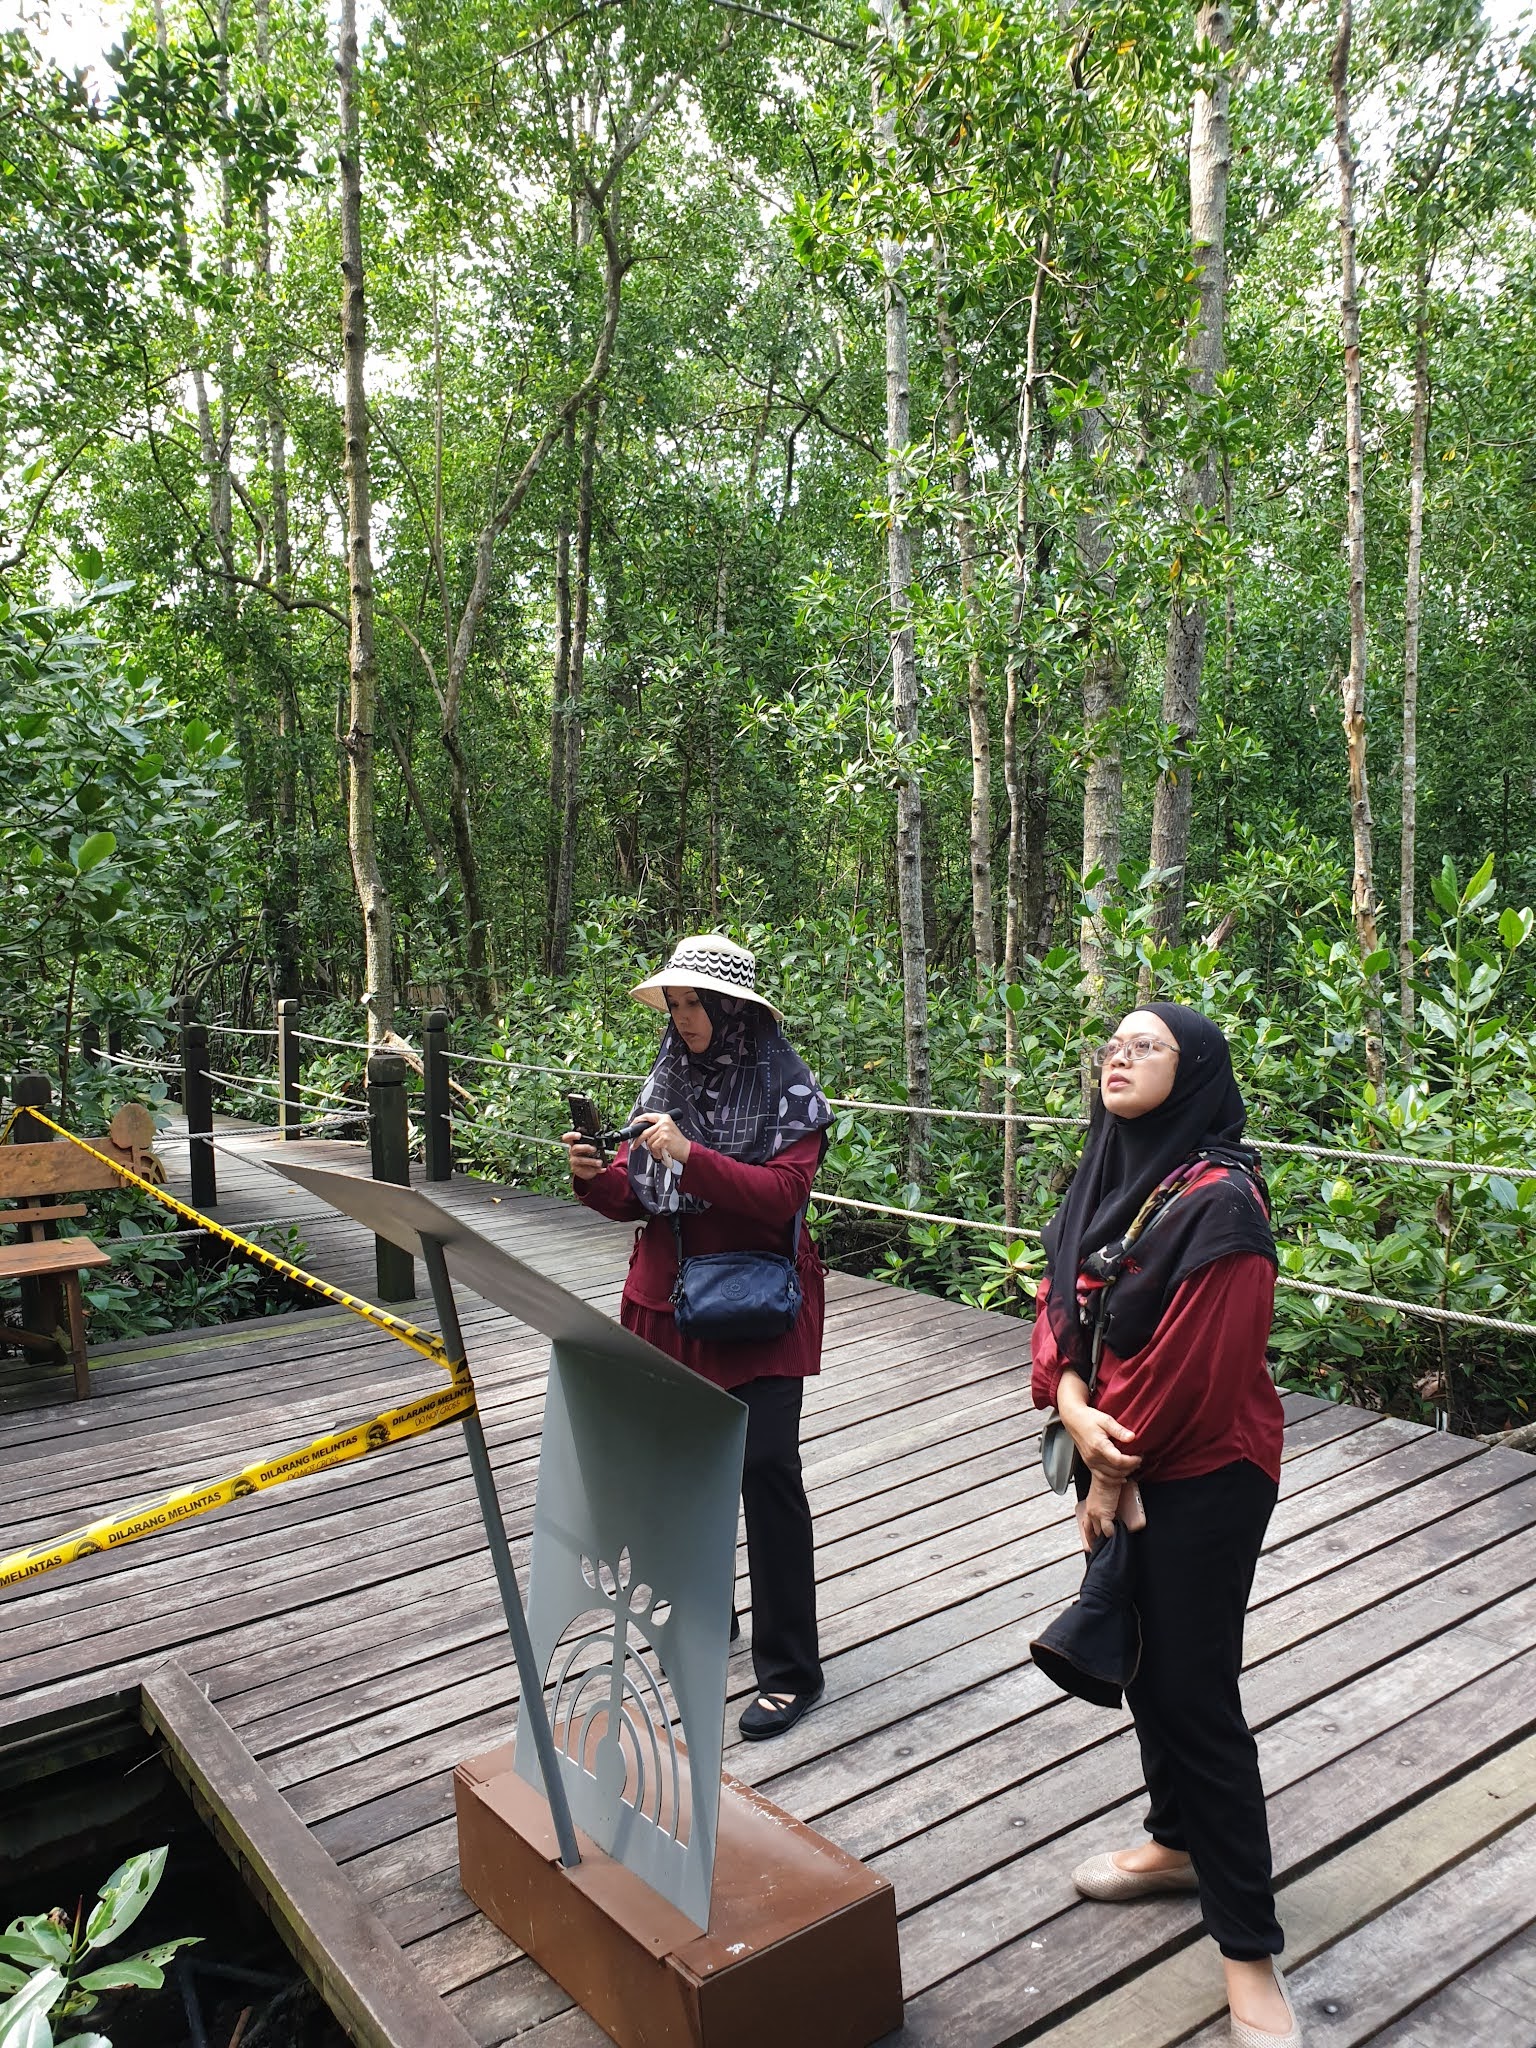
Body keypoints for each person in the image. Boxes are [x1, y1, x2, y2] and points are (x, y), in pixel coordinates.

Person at [1031, 1004, 1299, 2048]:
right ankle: (1174, 1841)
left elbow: (1204, 1364)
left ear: (1195, 1076)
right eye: (1114, 1042)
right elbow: (1062, 1294)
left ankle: (1249, 1948)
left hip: (1205, 1469)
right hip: (1115, 1443)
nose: (1120, 1055)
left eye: (1149, 1046)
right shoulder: (1109, 1166)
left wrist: (1107, 1472)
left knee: (1194, 1692)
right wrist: (1069, 1404)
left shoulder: (1221, 1202)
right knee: (1145, 1660)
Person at [562, 934, 833, 1741]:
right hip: (668, 1300)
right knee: (679, 1471)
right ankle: (707, 1618)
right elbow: (636, 1197)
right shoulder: (667, 1078)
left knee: (766, 1475)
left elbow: (782, 1196)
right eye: (674, 1005)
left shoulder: (788, 1089)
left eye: (695, 1005)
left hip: (756, 1302)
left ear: (733, 1009)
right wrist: (592, 1179)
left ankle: (791, 1672)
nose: (682, 1020)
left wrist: (691, 1154)